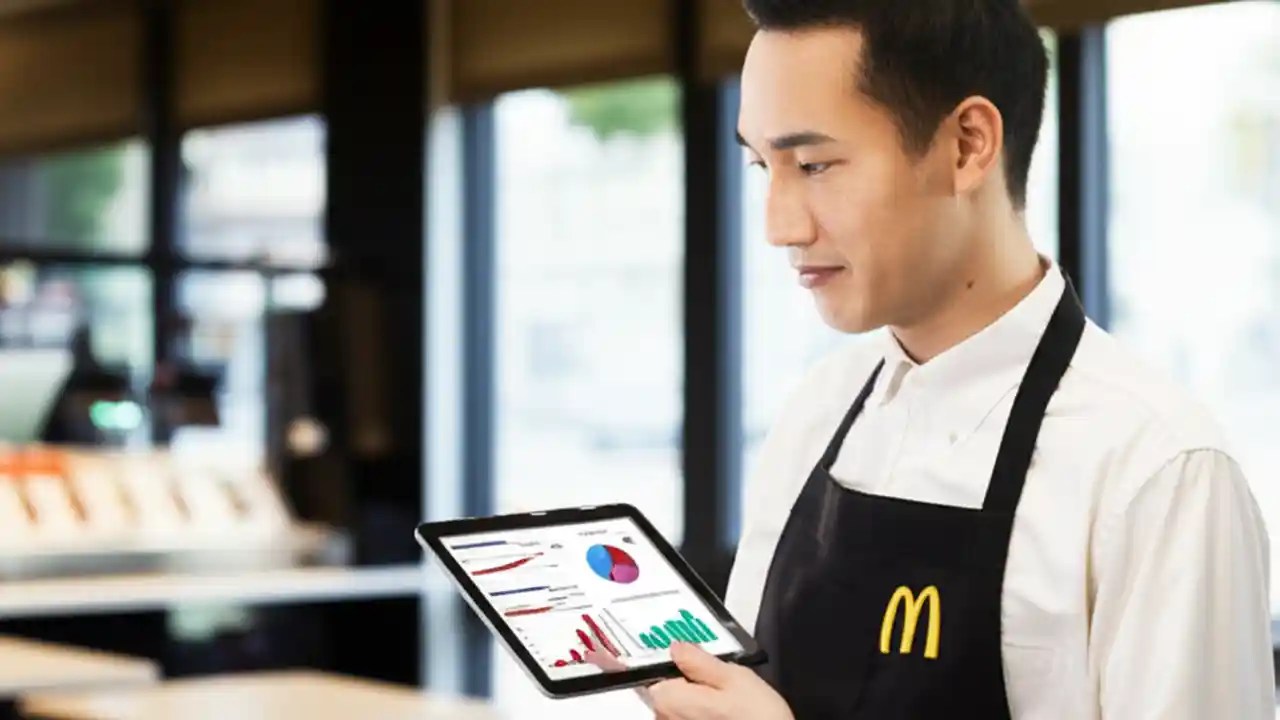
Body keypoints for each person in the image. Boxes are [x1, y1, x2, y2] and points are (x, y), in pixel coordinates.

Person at [624, 0, 1274, 717]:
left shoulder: (1156, 470)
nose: (779, 225)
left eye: (813, 164)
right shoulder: (820, 408)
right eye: (761, 165)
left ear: (968, 144)